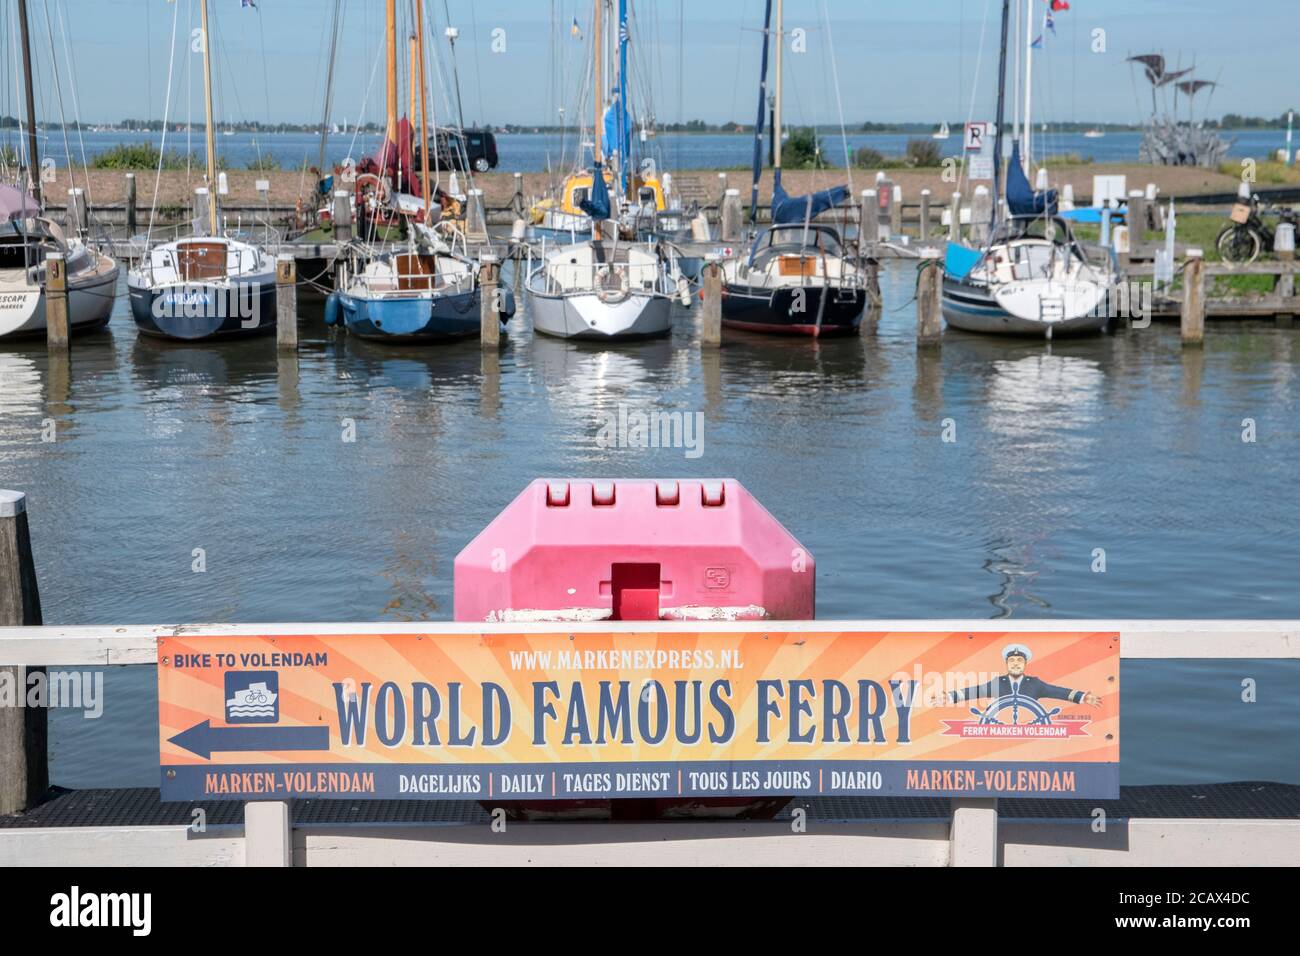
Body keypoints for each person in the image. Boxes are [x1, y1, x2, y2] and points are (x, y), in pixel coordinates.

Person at [945, 643, 1102, 708]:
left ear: (1025, 664)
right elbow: (975, 691)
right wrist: (951, 697)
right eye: (1012, 660)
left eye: (1019, 660)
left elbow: (1057, 692)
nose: (1015, 663)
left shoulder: (1035, 684)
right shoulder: (997, 683)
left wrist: (1082, 697)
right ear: (1006, 664)